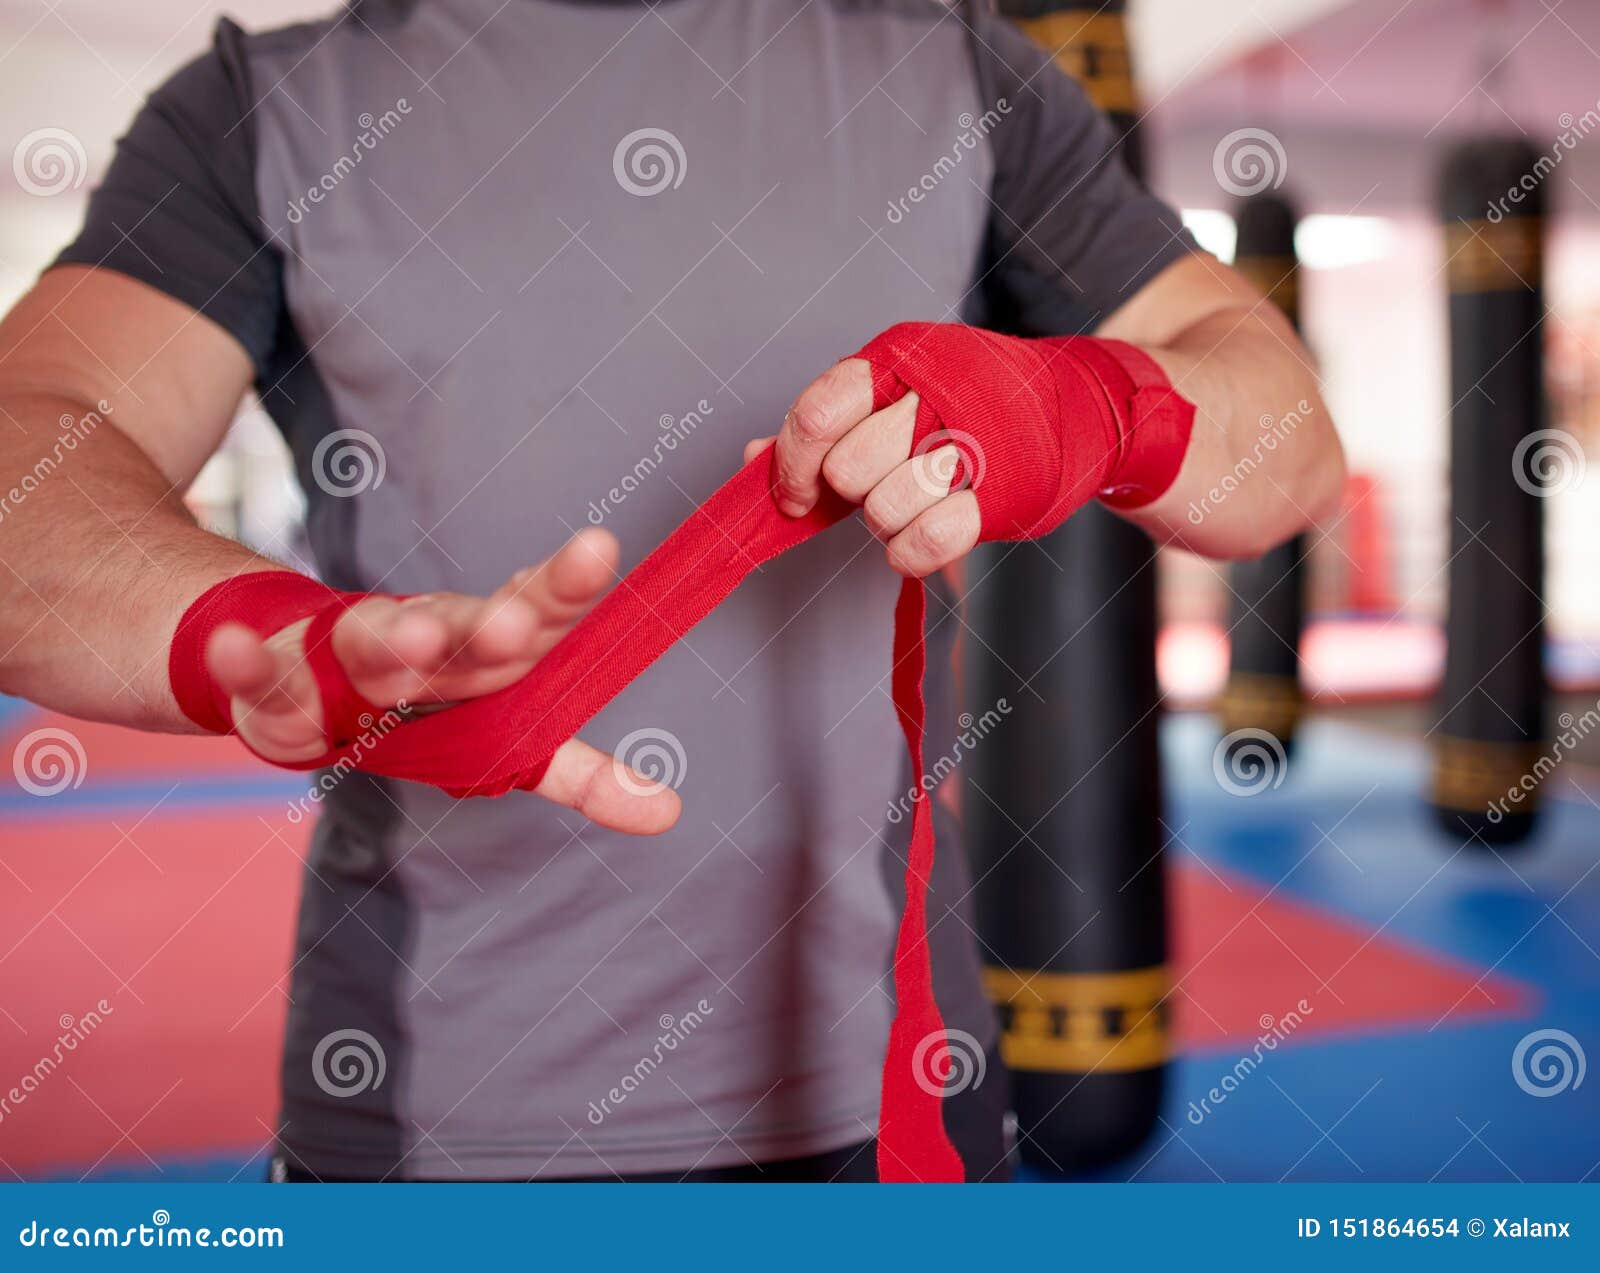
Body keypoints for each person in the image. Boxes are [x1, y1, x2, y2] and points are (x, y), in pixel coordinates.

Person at [0, 0, 1343, 1182]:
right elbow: (31, 445)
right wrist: (252, 629)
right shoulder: (264, 107)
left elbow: (1287, 443)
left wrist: (1087, 405)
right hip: (433, 1130)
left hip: (894, 1104)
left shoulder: (954, 68)